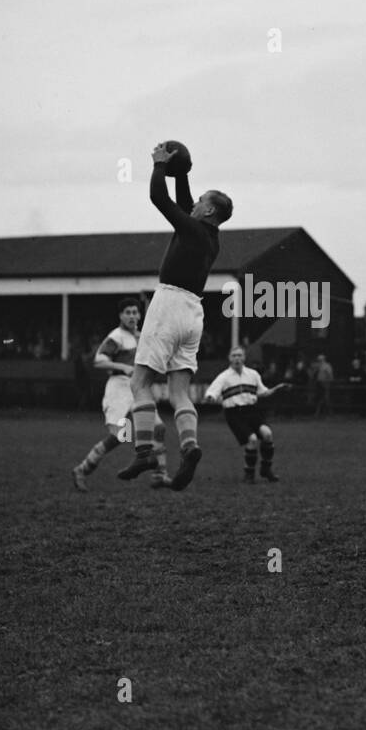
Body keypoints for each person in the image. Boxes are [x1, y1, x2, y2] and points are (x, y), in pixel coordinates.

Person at [118, 141, 232, 491]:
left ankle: (143, 452)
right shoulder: (210, 237)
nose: (195, 202)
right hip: (193, 314)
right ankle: (189, 445)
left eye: (202, 202)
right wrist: (182, 172)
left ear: (209, 212)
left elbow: (160, 200)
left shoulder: (194, 228)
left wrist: (158, 166)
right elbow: (184, 203)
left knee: (139, 384)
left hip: (168, 305)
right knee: (179, 392)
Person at [71, 298, 168, 491]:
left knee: (158, 427)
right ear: (120, 316)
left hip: (138, 387)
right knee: (119, 436)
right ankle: (82, 469)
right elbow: (99, 360)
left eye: (135, 312)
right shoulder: (116, 336)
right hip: (119, 388)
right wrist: (123, 367)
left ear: (140, 315)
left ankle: (160, 474)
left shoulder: (141, 337)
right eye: (128, 312)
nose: (132, 316)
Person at [203, 346, 289, 482]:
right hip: (234, 414)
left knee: (267, 434)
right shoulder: (224, 377)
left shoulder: (253, 374)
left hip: (252, 411)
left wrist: (276, 389)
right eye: (234, 356)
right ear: (229, 358)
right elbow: (211, 392)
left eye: (239, 355)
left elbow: (263, 392)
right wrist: (210, 397)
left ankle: (266, 469)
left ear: (244, 357)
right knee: (253, 439)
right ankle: (249, 474)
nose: (237, 358)